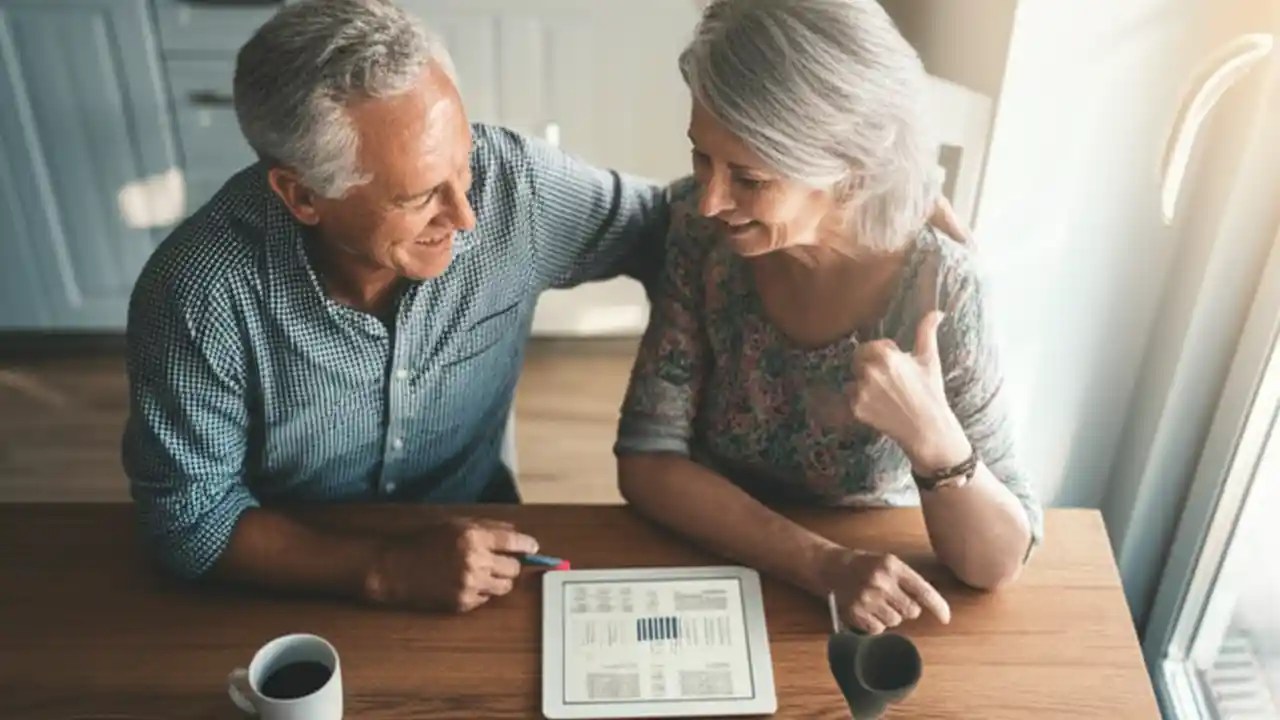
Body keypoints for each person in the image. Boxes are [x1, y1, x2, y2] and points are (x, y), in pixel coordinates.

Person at [122, 0, 668, 613]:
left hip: (489, 554)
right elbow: (191, 525)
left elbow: (675, 228)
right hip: (287, 581)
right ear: (303, 196)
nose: (465, 217)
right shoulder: (197, 293)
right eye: (418, 197)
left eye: (463, 166)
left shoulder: (517, 187)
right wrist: (384, 571)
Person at [616, 0, 1043, 635]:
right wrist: (822, 564)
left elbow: (995, 563)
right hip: (720, 556)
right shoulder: (699, 235)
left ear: (851, 171)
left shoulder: (942, 283)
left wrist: (934, 439)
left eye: (750, 178)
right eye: (702, 158)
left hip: (879, 591)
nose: (710, 198)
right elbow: (648, 461)